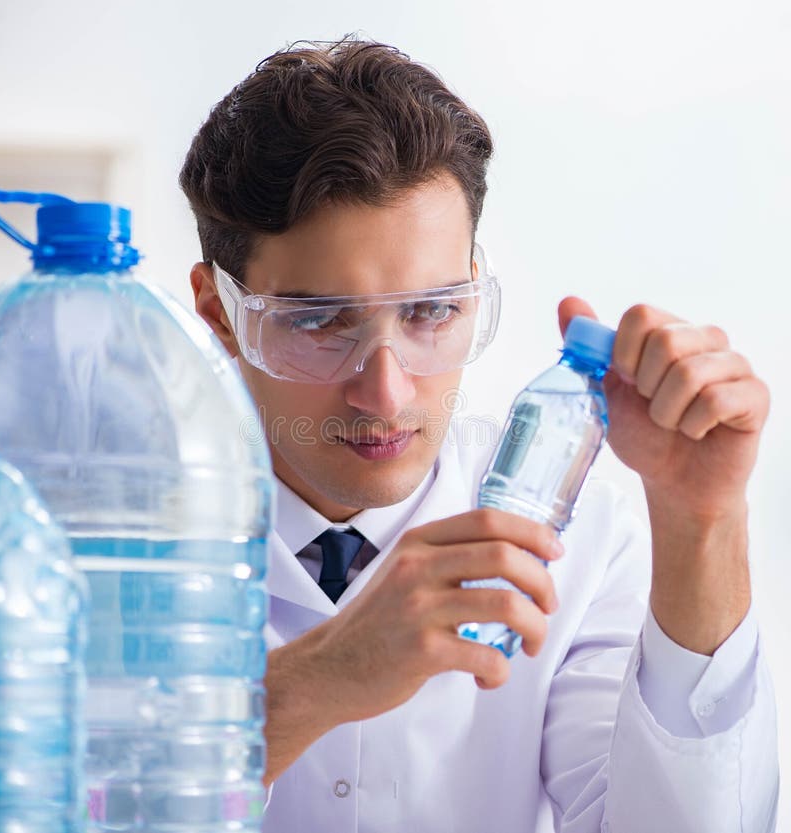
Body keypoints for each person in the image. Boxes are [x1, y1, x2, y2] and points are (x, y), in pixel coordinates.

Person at [179, 37, 779, 832]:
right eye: (320, 322)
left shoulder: (582, 542)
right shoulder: (107, 543)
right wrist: (320, 679)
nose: (386, 391)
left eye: (431, 311)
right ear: (221, 314)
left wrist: (703, 521)